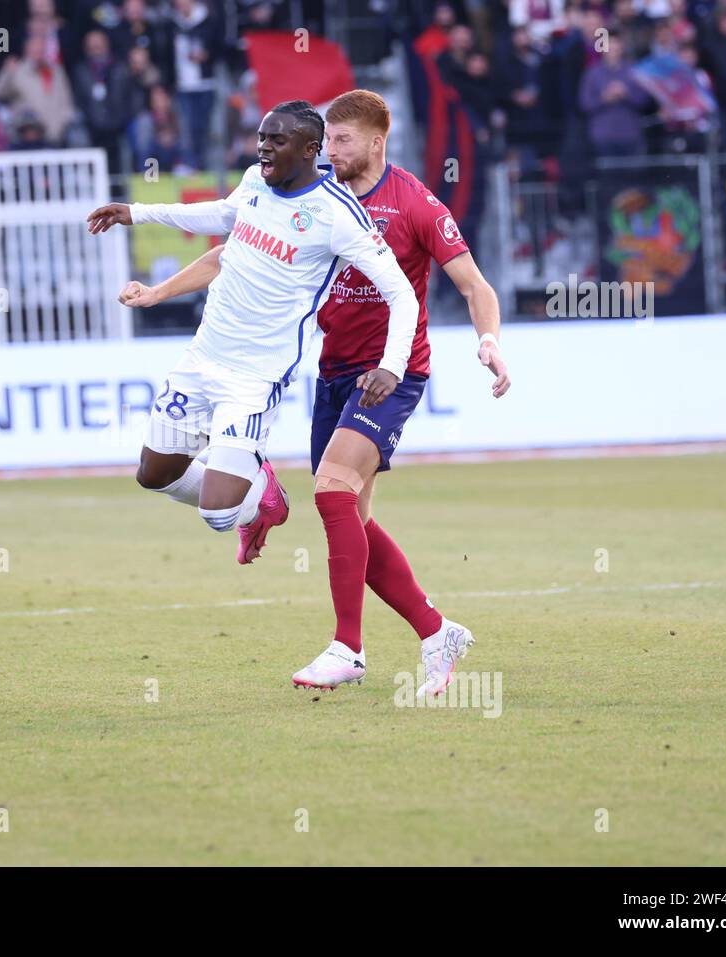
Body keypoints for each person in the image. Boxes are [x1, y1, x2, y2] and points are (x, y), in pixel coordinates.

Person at [115, 90, 511, 696]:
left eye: (342, 141)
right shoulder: (294, 190)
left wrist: (488, 342)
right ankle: (436, 632)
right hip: (334, 370)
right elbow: (231, 245)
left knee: (330, 495)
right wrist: (152, 264)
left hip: (389, 374)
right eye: (325, 140)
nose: (331, 149)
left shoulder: (413, 205)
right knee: (352, 518)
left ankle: (347, 649)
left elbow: (473, 284)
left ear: (376, 142)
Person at [86, 99, 418, 576]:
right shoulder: (254, 182)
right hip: (202, 358)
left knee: (219, 513)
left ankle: (265, 494)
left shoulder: (337, 214)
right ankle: (248, 486)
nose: (263, 148)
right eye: (261, 138)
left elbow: (401, 294)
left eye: (275, 140)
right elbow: (221, 215)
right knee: (153, 475)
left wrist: (391, 365)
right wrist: (136, 213)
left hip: (254, 377)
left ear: (309, 149)